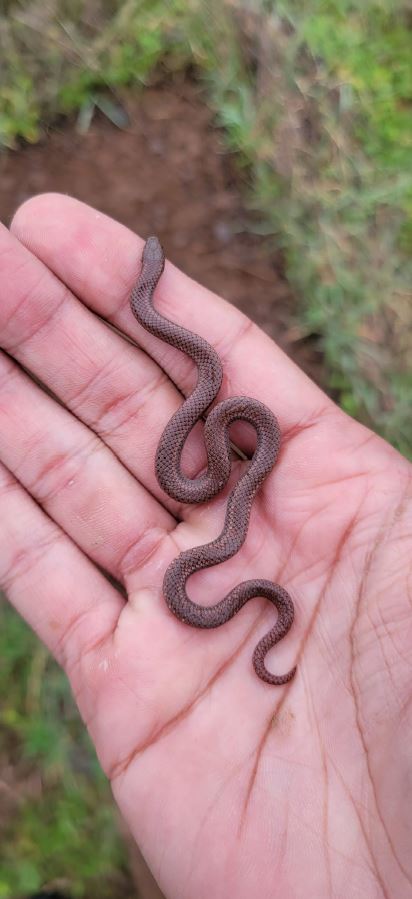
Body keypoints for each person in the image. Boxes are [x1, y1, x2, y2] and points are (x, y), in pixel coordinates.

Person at [0, 194, 410, 899]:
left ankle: (267, 609)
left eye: (146, 268)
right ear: (150, 284)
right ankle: (264, 609)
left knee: (221, 468)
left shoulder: (223, 421)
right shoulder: (211, 408)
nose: (150, 267)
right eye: (150, 271)